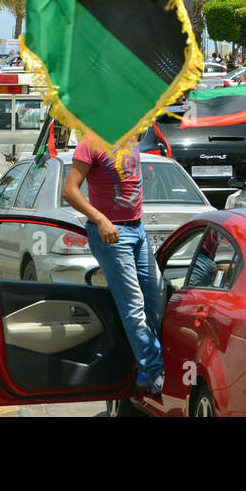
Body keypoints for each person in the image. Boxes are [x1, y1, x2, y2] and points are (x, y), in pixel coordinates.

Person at [61, 134, 164, 396]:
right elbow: (70, 190)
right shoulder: (91, 142)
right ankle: (154, 369)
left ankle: (144, 364)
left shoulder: (132, 135)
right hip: (112, 234)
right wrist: (99, 219)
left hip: (138, 229)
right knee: (133, 304)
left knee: (156, 297)